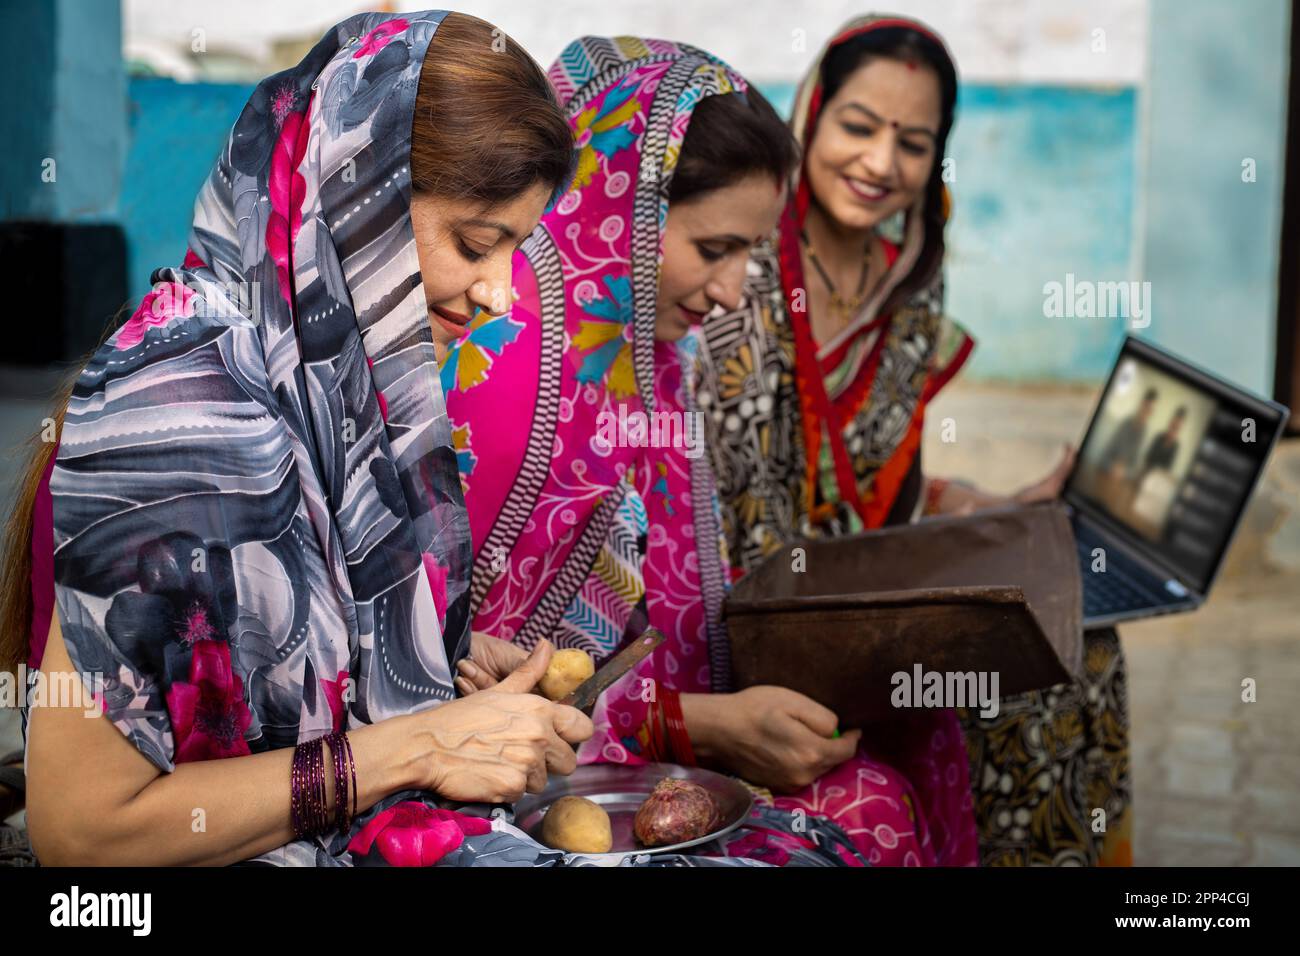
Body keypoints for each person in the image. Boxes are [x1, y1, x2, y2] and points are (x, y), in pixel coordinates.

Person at [0, 11, 780, 868]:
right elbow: (83, 834)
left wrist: (439, 662)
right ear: (348, 203)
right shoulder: (180, 418)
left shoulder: (348, 392)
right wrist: (420, 745)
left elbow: (286, 661)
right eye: (477, 245)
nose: (501, 296)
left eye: (515, 249)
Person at [446, 34, 970, 866]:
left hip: (632, 741)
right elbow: (448, 675)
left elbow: (657, 618)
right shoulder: (510, 370)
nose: (733, 291)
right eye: (715, 249)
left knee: (922, 736)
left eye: (752, 253)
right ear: (620, 207)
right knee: (865, 816)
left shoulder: (647, 361)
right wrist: (691, 725)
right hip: (512, 785)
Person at [694, 14, 1132, 865]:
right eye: (858, 127)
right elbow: (736, 508)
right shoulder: (738, 270)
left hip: (866, 590)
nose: (881, 164)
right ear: (811, 114)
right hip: (754, 620)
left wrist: (984, 511)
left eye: (914, 142)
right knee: (1015, 686)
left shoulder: (910, 282)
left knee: (1083, 642)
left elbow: (877, 487)